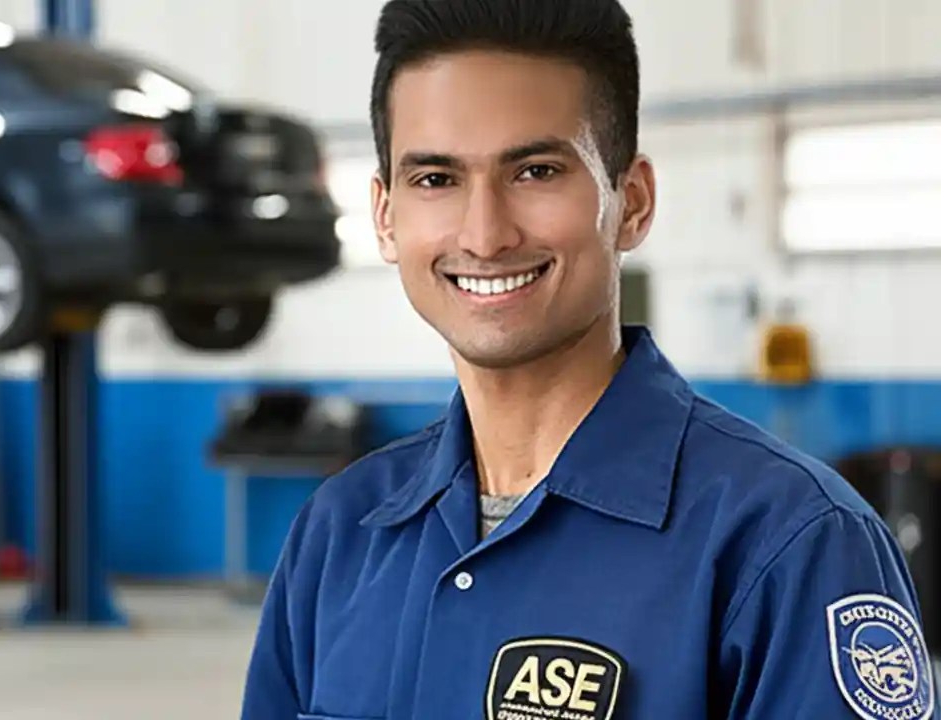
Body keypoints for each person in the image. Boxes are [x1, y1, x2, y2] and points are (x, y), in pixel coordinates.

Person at [240, 0, 932, 718]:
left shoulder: (791, 543)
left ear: (631, 202)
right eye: (437, 180)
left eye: (535, 171)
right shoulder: (340, 535)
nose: (484, 234)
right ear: (386, 216)